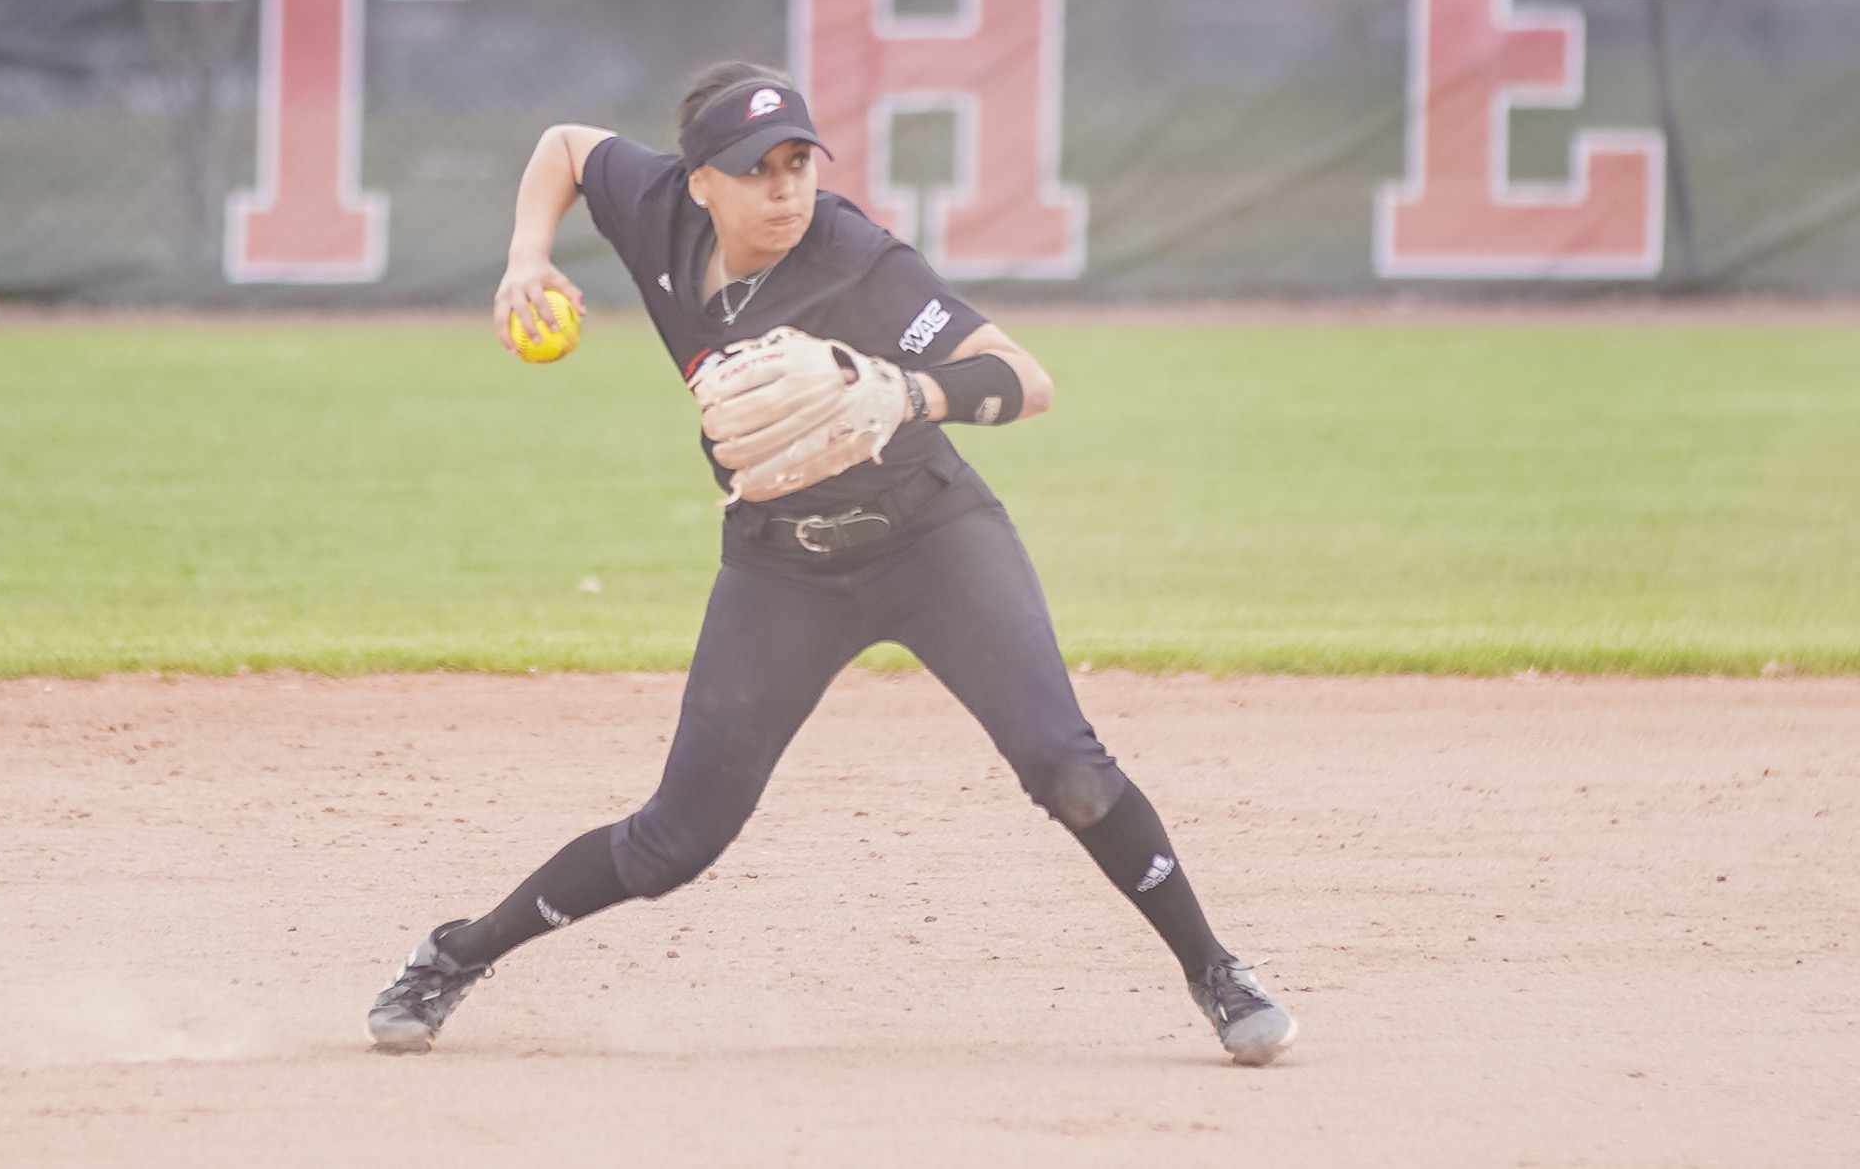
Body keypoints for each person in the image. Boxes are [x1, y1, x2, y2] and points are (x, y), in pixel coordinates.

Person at [365, 61, 1297, 1066]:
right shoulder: (656, 215)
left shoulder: (853, 254)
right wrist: (524, 259)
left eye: (798, 161)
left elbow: (1027, 381)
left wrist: (906, 393)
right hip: (781, 569)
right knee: (674, 840)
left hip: (931, 541)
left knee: (1061, 763)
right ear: (699, 184)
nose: (783, 188)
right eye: (755, 168)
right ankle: (456, 953)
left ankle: (1213, 969)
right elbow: (563, 147)